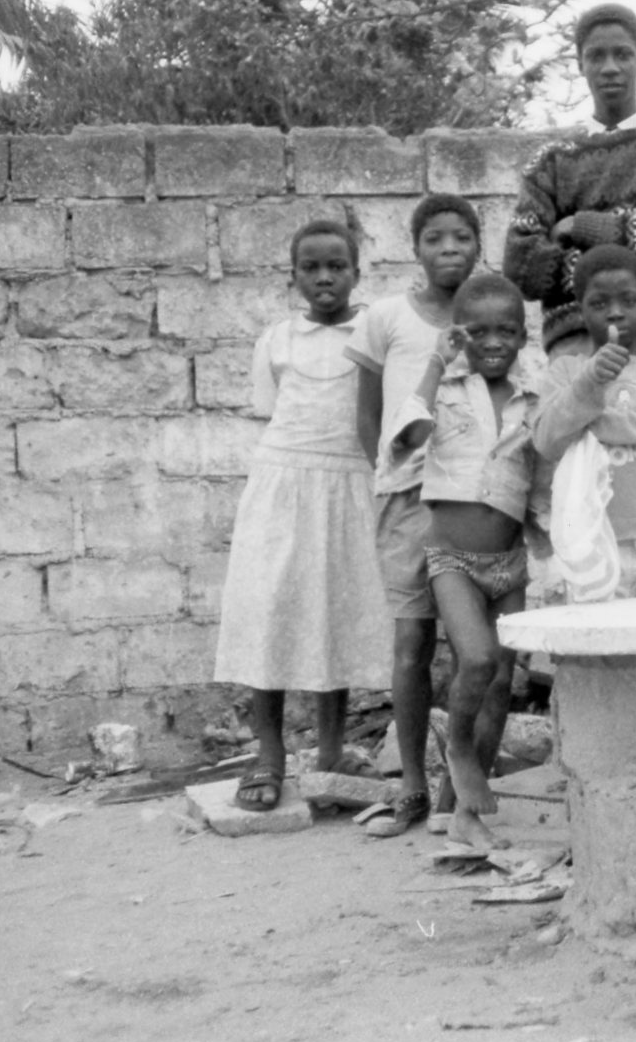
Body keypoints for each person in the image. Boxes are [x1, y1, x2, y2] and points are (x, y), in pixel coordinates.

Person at [215, 221, 390, 812]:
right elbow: (270, 411)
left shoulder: (374, 333)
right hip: (283, 487)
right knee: (272, 613)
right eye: (310, 267)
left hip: (348, 484)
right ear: (292, 277)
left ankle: (331, 751)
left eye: (336, 266)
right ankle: (269, 754)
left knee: (331, 614)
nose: (324, 277)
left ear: (356, 274)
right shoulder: (277, 341)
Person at [385, 275, 540, 851]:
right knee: (475, 660)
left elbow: (541, 470)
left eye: (506, 330)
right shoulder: (446, 390)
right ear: (460, 334)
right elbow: (411, 432)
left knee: (502, 681)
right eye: (479, 331)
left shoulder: (534, 397)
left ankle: (463, 812)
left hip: (509, 562)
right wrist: (435, 361)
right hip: (451, 557)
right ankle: (455, 751)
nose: (493, 341)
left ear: (524, 336)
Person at [343, 194, 478, 838]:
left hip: (471, 500)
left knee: (471, 646)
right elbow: (368, 411)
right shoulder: (388, 317)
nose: (449, 249)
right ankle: (413, 786)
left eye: (462, 237)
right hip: (405, 497)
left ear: (479, 245)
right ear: (416, 247)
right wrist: (387, 468)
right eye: (436, 238)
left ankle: (457, 785)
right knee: (411, 643)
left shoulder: (489, 315)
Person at [503, 2, 636, 357]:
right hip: (574, 348)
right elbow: (523, 265)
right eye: (596, 56)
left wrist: (579, 226)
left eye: (622, 54)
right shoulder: (551, 161)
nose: (610, 68)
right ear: (580, 64)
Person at [533, 245, 636, 599]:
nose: (615, 313)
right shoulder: (568, 371)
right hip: (592, 539)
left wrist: (594, 421)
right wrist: (589, 382)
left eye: (628, 300)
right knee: (602, 646)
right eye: (599, 304)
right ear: (581, 311)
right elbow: (546, 439)